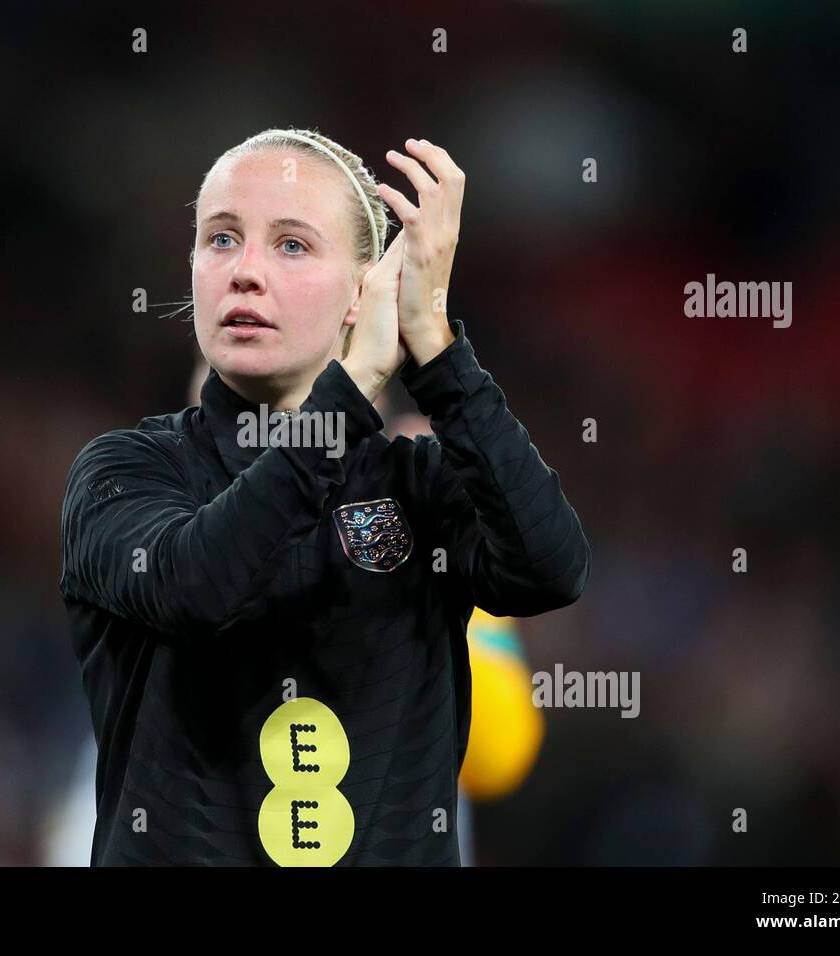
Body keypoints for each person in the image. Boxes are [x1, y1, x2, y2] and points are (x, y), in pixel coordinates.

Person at [59, 127, 589, 866]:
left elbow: (551, 568)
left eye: (292, 245)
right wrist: (354, 392)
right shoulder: (125, 471)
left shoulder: (420, 486)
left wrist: (435, 347)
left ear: (363, 293)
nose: (244, 270)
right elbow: (199, 585)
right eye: (220, 239)